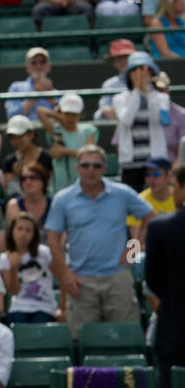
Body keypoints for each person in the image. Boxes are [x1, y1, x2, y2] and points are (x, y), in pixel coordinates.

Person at [48, 145, 155, 340]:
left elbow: (150, 215)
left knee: (125, 338)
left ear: (105, 168)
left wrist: (135, 248)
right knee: (82, 341)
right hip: (80, 281)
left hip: (117, 278)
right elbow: (53, 237)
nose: (91, 170)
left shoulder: (122, 193)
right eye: (85, 165)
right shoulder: (63, 199)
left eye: (96, 165)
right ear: (77, 168)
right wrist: (64, 273)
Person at [145, 163, 185, 388]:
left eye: (175, 186)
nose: (173, 192)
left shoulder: (161, 228)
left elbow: (154, 280)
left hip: (175, 331)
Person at [112, 52, 173, 190]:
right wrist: (137, 91)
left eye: (144, 70)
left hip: (155, 162)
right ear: (129, 74)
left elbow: (162, 119)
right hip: (130, 163)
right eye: (135, 70)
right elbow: (126, 121)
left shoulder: (161, 98)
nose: (139, 74)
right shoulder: (119, 99)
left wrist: (147, 91)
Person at [0, 213, 57, 324]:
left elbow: (61, 276)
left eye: (28, 230)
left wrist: (62, 308)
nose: (23, 234)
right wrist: (14, 267)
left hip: (44, 306)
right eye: (19, 229)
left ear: (34, 234)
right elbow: (14, 291)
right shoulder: (5, 258)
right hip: (19, 306)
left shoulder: (44, 252)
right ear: (12, 231)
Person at [36, 93, 97, 193]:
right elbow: (40, 111)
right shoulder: (56, 131)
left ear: (80, 114)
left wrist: (63, 151)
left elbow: (88, 155)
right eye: (67, 113)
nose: (70, 118)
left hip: (84, 188)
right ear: (60, 112)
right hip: (60, 189)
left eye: (74, 114)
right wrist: (59, 117)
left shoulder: (88, 130)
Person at [5, 47, 57, 120]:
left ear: (49, 66)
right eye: (34, 63)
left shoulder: (57, 94)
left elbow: (66, 121)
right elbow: (12, 116)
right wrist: (35, 95)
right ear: (27, 67)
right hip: (24, 130)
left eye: (42, 62)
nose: (39, 66)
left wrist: (53, 101)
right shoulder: (16, 87)